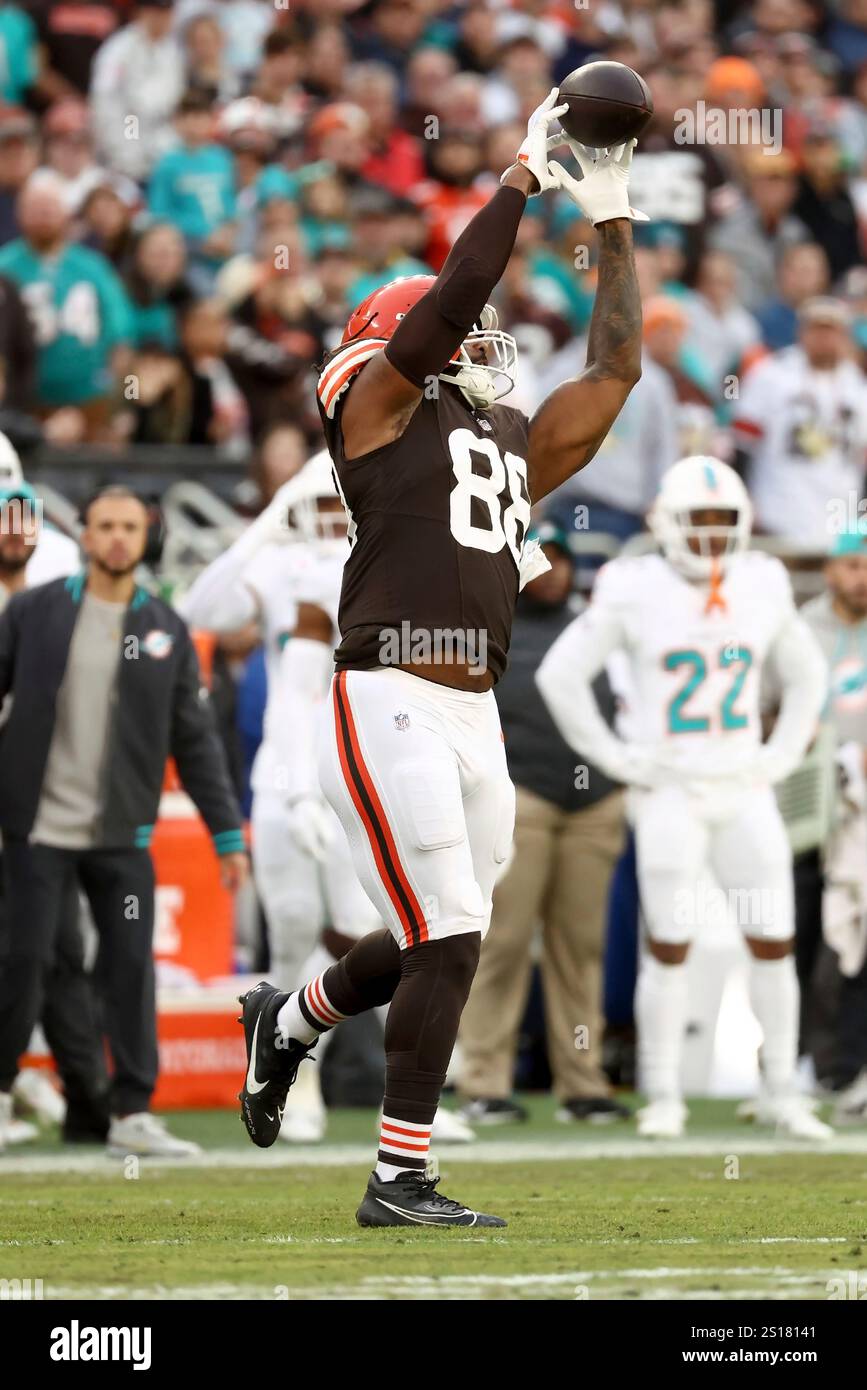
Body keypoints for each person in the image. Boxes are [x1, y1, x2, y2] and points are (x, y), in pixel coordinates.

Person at [237, 94, 646, 1227]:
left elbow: (615, 375)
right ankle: (398, 1176)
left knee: (435, 923)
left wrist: (611, 215)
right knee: (452, 931)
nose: (484, 344)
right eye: (463, 336)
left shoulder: (506, 438)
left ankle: (293, 1020)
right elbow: (449, 301)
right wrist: (518, 175)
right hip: (390, 696)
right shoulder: (374, 413)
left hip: (475, 713)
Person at [536, 456, 830, 1141]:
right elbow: (560, 675)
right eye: (694, 521)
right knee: (667, 945)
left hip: (740, 784)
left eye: (719, 521)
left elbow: (806, 673)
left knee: (773, 942)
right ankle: (663, 1092)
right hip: (670, 789)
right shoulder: (634, 586)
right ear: (663, 523)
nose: (706, 535)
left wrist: (780, 756)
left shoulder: (759, 581)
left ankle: (781, 1088)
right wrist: (616, 759)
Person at [0, 485, 248, 1156]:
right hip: (35, 831)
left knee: (131, 966)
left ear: (146, 538)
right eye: (104, 525)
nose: (115, 537)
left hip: (122, 836)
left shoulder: (165, 630)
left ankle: (132, 1113)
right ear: (83, 535)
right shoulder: (31, 614)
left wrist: (227, 836)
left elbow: (194, 742)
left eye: (128, 527)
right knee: (22, 961)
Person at [458, 524, 630, 1125]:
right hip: (520, 798)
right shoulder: (489, 626)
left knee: (579, 948)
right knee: (501, 943)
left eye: (561, 560)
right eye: (540, 559)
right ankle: (483, 1080)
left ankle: (581, 1083)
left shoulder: (597, 627)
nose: (552, 571)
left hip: (596, 803)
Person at [800, 526, 867, 1118]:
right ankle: (801, 1064)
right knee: (802, 935)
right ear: (830, 570)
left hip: (863, 817)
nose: (861, 577)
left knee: (851, 943)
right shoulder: (801, 629)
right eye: (851, 564)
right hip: (806, 806)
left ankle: (846, 1068)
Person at [732, 297, 867, 544]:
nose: (824, 339)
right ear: (801, 331)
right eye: (817, 329)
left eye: (832, 331)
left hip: (839, 518)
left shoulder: (858, 386)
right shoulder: (771, 374)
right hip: (778, 511)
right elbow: (742, 444)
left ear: (845, 336)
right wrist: (744, 499)